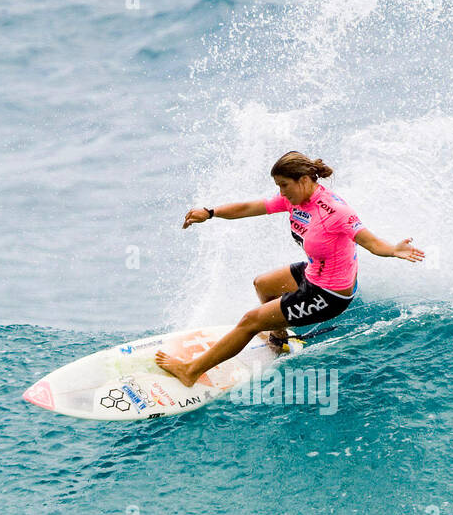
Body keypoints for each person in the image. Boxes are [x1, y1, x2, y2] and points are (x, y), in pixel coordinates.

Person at [154, 151, 424, 387]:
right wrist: (210, 212)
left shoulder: (335, 211)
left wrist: (393, 249)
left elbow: (370, 241)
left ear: (304, 180)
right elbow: (251, 207)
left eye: (284, 185)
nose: (281, 193)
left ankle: (190, 371)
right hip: (313, 273)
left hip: (329, 293)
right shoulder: (296, 200)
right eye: (278, 186)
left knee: (250, 321)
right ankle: (280, 337)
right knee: (263, 284)